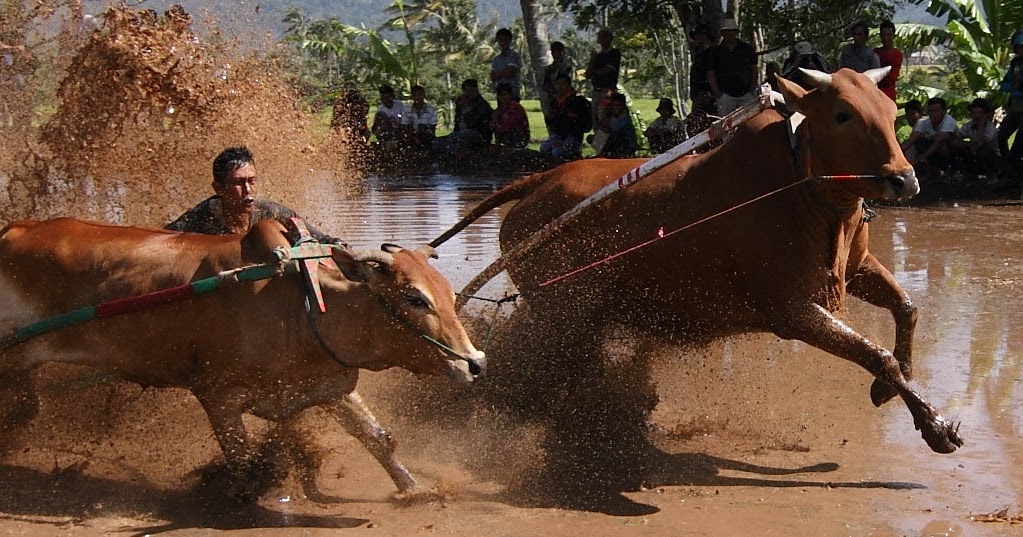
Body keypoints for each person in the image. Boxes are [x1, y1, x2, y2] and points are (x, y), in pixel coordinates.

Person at [165, 146, 342, 244]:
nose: (248, 190)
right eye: (238, 183)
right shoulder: (199, 219)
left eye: (252, 181)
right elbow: (165, 241)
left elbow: (318, 238)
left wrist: (339, 245)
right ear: (218, 189)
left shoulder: (272, 213)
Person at [707, 18, 758, 115]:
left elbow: (754, 69)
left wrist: (752, 89)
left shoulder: (747, 49)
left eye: (731, 31)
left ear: (735, 32)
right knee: (726, 125)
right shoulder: (715, 52)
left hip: (746, 94)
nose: (728, 34)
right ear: (722, 33)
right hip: (725, 95)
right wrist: (718, 94)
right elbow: (711, 74)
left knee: (751, 121)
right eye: (726, 32)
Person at [433, 79, 493, 155]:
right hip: (459, 134)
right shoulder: (460, 103)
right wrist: (461, 107)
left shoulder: (482, 105)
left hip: (477, 134)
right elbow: (457, 122)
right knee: (436, 142)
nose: (468, 93)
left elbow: (473, 124)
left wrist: (466, 110)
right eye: (466, 91)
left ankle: (464, 153)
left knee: (462, 135)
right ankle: (462, 153)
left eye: (471, 91)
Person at [901, 97, 956, 177]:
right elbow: (912, 140)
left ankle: (948, 171)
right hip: (931, 152)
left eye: (936, 111)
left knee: (943, 144)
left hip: (951, 153)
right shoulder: (923, 122)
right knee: (918, 143)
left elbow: (939, 141)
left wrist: (923, 156)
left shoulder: (949, 121)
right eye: (930, 111)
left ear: (944, 111)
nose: (933, 114)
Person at [540, 74, 591, 159]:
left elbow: (579, 123)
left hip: (573, 136)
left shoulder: (577, 101)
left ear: (569, 85)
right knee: (544, 148)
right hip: (557, 135)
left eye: (563, 84)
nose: (560, 87)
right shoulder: (555, 102)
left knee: (557, 152)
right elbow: (551, 122)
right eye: (557, 84)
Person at [953, 97, 1001, 178]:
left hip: (992, 158)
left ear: (985, 114)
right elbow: (955, 141)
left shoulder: (990, 127)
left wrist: (981, 125)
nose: (976, 116)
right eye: (974, 113)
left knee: (983, 151)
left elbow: (981, 143)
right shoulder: (968, 125)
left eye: (979, 113)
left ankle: (991, 175)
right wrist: (971, 145)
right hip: (974, 155)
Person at [997, 30, 1023, 180]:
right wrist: (1014, 86)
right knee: (1001, 136)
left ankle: (1013, 169)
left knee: (1020, 139)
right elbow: (1005, 84)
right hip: (1016, 105)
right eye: (1019, 47)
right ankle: (1007, 167)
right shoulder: (1015, 64)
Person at [584, 29, 622, 127]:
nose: (602, 39)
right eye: (600, 37)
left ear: (610, 39)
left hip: (608, 91)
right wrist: (593, 60)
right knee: (596, 120)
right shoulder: (597, 56)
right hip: (596, 91)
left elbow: (606, 71)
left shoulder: (614, 53)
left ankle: (608, 140)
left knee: (607, 119)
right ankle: (598, 140)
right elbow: (588, 74)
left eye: (605, 37)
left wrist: (595, 70)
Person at [540, 41, 575, 120]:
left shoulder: (568, 67)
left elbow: (566, 84)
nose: (556, 54)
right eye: (554, 52)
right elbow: (544, 85)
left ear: (563, 52)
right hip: (552, 99)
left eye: (559, 51)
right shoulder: (548, 68)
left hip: (566, 99)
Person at [688, 24, 717, 116]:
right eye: (697, 37)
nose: (699, 39)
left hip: (709, 94)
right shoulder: (698, 54)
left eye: (702, 36)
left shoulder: (713, 53)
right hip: (698, 94)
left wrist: (712, 93)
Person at [491, 83, 529, 151]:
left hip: (519, 136)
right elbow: (493, 126)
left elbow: (509, 126)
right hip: (505, 135)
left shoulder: (515, 108)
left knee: (512, 130)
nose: (503, 98)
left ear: (510, 95)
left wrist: (496, 122)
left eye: (504, 94)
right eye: (500, 95)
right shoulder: (500, 109)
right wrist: (495, 120)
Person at [400, 84, 437, 151]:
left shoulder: (431, 110)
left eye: (420, 95)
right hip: (411, 137)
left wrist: (422, 133)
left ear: (424, 96)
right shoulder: (406, 109)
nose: (418, 98)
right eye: (415, 95)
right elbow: (405, 126)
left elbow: (432, 129)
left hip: (426, 137)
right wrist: (414, 136)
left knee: (422, 127)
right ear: (412, 97)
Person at [599, 93, 638, 158]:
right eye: (613, 105)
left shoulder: (625, 118)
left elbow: (609, 129)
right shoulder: (612, 116)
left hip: (625, 146)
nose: (615, 107)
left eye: (618, 105)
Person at [874, 21, 903, 101]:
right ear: (880, 36)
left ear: (893, 36)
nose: (886, 38)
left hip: (888, 95)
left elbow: (892, 76)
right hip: (874, 94)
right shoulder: (874, 53)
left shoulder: (897, 54)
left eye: (888, 35)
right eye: (883, 35)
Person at [490, 28, 522, 100]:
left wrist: (498, 74)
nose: (503, 42)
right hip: (500, 94)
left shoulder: (514, 56)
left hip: (512, 95)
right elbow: (493, 77)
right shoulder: (496, 59)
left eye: (506, 40)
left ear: (510, 41)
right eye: (501, 40)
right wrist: (503, 72)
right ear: (498, 41)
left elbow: (510, 72)